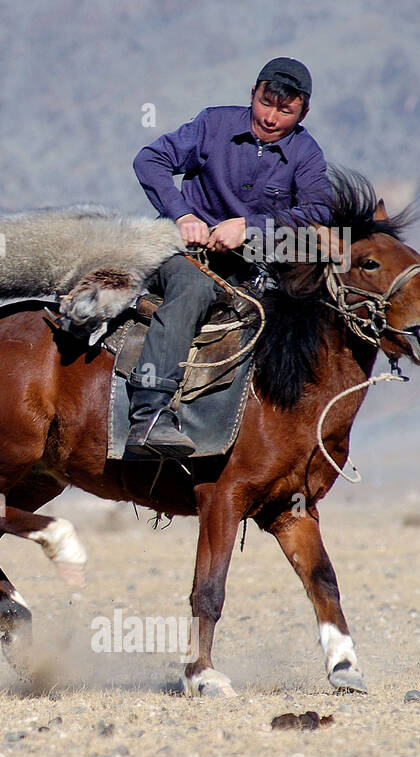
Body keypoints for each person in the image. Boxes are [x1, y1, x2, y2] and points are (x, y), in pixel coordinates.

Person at [127, 57, 331, 457]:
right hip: (184, 250)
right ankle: (149, 414)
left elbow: (320, 210)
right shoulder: (213, 124)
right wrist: (182, 213)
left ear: (303, 112)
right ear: (252, 93)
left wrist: (249, 227)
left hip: (254, 261)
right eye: (265, 103)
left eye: (285, 111)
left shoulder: (307, 153)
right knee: (193, 288)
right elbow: (149, 160)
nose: (271, 118)